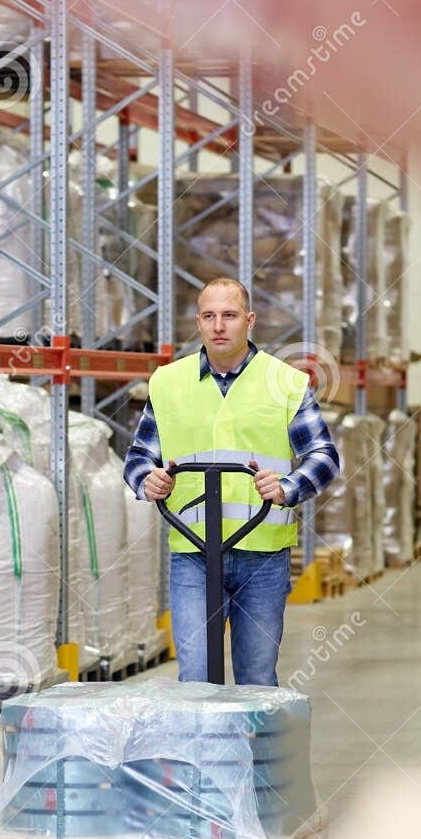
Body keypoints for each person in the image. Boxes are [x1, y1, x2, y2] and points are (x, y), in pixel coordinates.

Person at [123, 277, 341, 686]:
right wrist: (145, 481)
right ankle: (204, 732)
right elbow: (138, 457)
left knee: (256, 679)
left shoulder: (285, 381)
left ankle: (255, 733)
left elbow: (324, 455)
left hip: (263, 554)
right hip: (193, 553)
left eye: (229, 315)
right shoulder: (168, 382)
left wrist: (288, 487)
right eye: (209, 316)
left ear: (250, 320)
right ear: (198, 323)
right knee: (196, 678)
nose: (219, 326)